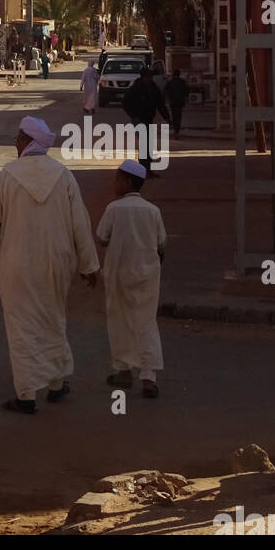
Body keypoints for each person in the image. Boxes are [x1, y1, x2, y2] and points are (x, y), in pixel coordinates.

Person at [0, 115, 99, 414]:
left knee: (22, 328)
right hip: (56, 264)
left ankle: (26, 394)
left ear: (29, 141)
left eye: (18, 137)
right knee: (53, 320)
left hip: (16, 265)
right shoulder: (63, 175)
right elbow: (81, 223)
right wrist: (89, 265)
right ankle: (56, 385)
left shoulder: (8, 175)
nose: (15, 142)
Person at [96, 159, 166, 399]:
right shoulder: (153, 211)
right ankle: (149, 378)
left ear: (127, 182)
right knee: (146, 321)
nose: (113, 183)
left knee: (118, 320)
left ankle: (122, 369)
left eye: (116, 179)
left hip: (119, 273)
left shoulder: (113, 209)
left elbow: (102, 237)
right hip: (147, 275)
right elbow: (161, 243)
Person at [122, 66, 170, 175]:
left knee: (149, 144)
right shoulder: (136, 88)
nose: (150, 79)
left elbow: (160, 103)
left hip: (148, 119)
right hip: (139, 120)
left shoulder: (153, 88)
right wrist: (134, 115)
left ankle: (147, 169)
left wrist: (167, 117)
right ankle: (143, 170)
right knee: (144, 144)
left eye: (151, 77)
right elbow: (125, 103)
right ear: (143, 77)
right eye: (148, 77)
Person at [164, 68, 189, 137]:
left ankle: (175, 130)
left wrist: (167, 98)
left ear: (173, 74)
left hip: (172, 101)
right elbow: (187, 91)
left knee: (174, 115)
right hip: (180, 102)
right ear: (179, 74)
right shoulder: (182, 81)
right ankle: (177, 130)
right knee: (179, 116)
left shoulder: (170, 82)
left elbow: (165, 90)